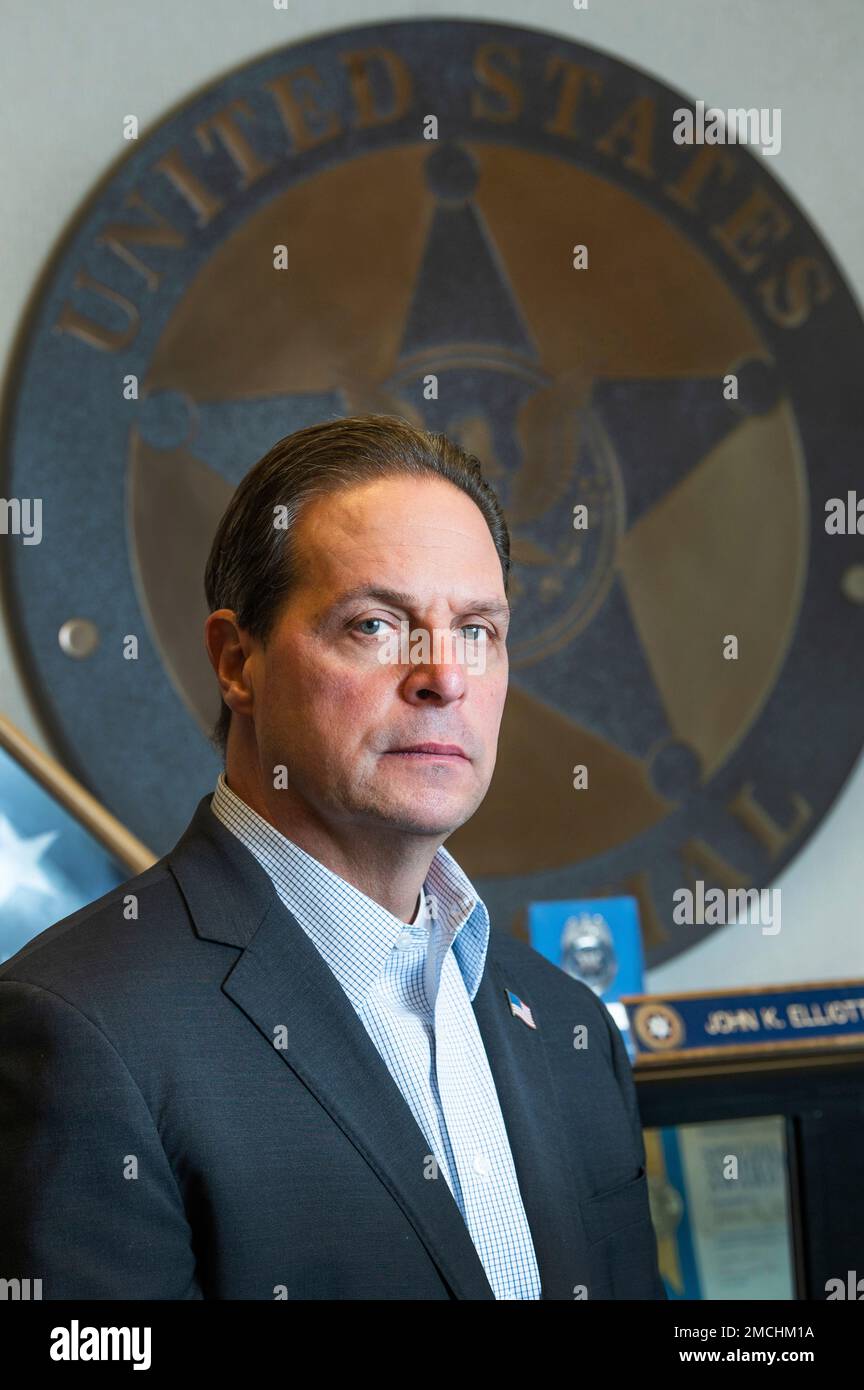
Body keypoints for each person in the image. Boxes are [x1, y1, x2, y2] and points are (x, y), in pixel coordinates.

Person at [0, 415, 665, 1300]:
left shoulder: (570, 1026)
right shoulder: (81, 1033)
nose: (444, 676)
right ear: (238, 661)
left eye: (476, 629)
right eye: (375, 623)